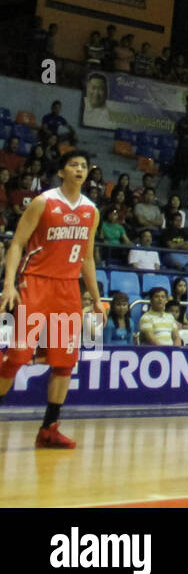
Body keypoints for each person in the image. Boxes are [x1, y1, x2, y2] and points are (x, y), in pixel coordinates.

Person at [0, 151, 101, 448]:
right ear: (61, 171)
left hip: (68, 289)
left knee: (64, 362)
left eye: (84, 166)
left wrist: (95, 298)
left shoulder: (91, 210)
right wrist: (9, 285)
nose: (80, 169)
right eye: (74, 165)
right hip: (36, 284)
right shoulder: (44, 202)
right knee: (17, 356)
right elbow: (17, 242)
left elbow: (87, 257)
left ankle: (49, 428)